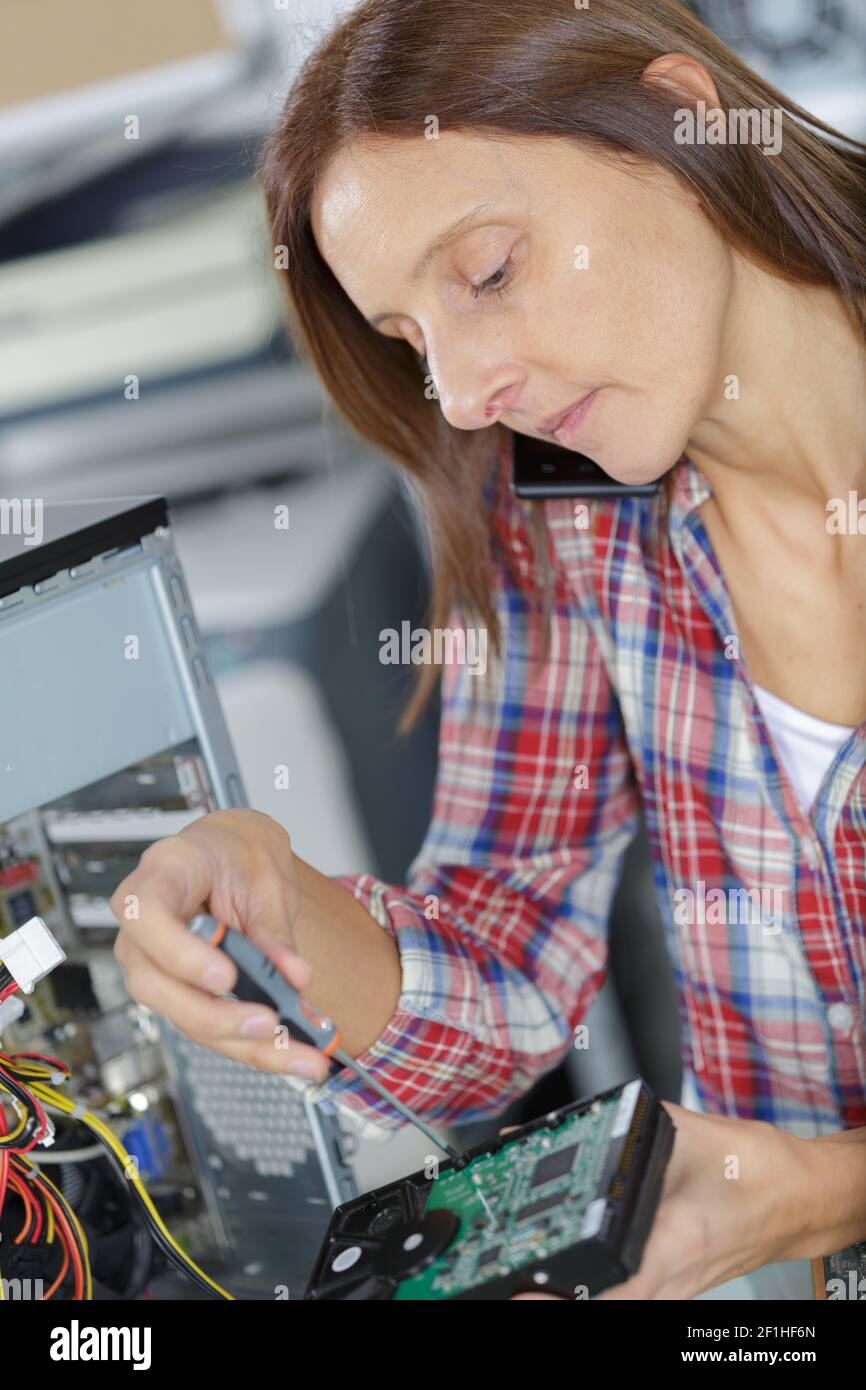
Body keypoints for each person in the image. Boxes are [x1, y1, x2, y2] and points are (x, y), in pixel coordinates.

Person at [111, 0, 866, 1299]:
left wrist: (814, 1192)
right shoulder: (569, 515)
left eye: (489, 271)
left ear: (683, 119)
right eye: (412, 342)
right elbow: (506, 966)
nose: (459, 393)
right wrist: (277, 897)